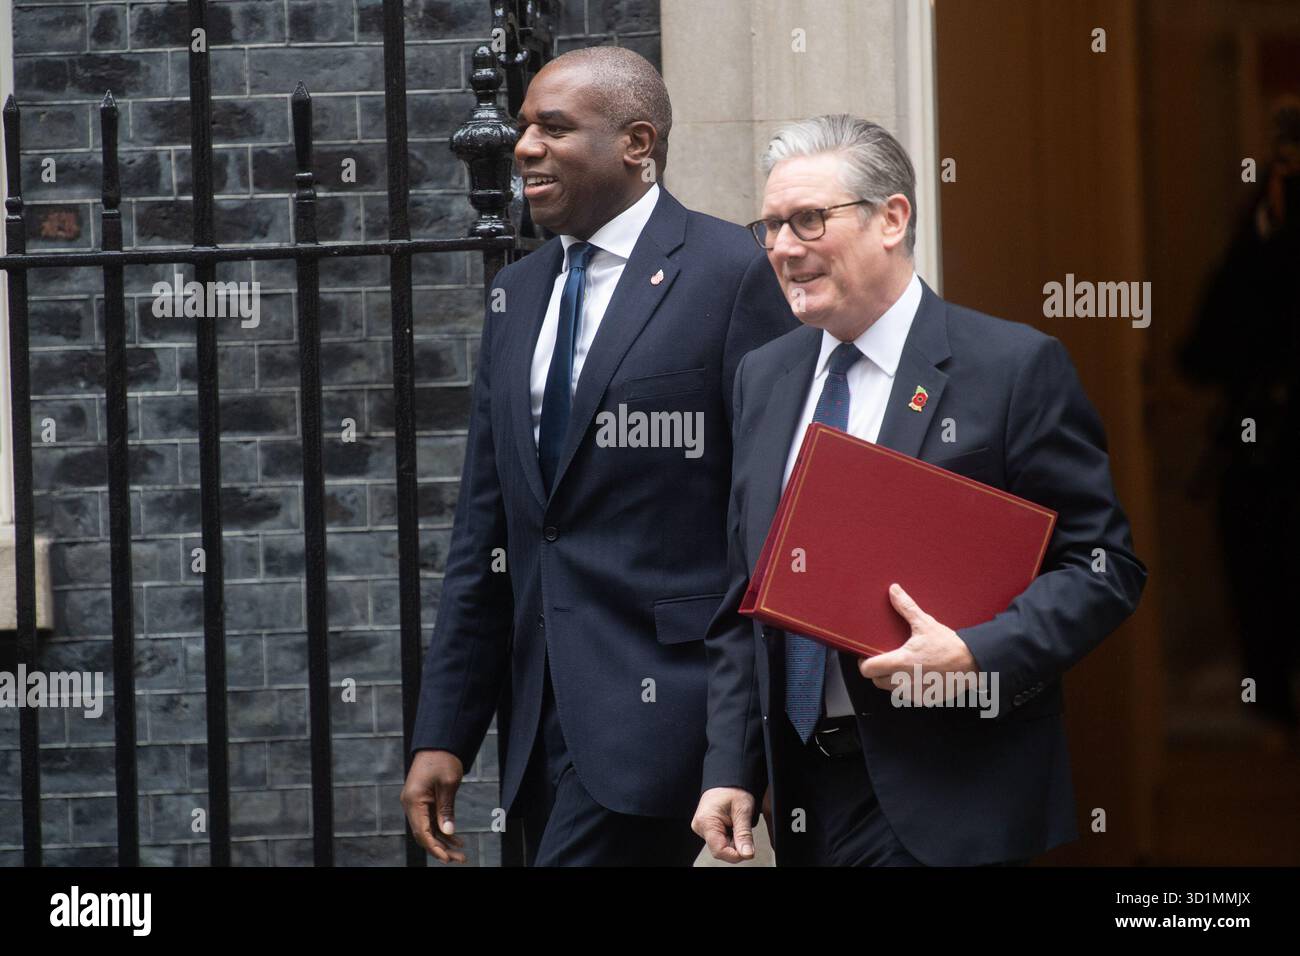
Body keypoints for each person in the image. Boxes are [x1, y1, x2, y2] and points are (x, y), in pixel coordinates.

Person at [692, 114, 1148, 866]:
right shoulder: (763, 377)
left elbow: (1104, 568)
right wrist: (730, 769)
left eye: (808, 220)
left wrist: (977, 652)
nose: (781, 247)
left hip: (952, 791)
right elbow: (746, 594)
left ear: (892, 218)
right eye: (769, 226)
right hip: (804, 797)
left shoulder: (1013, 367)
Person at [400, 46, 795, 866]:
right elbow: (488, 528)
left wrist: (738, 749)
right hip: (536, 722)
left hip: (664, 718)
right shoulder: (520, 291)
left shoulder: (733, 275)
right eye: (522, 129)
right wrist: (446, 729)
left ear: (637, 143)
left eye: (554, 127)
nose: (523, 148)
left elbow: (773, 521)